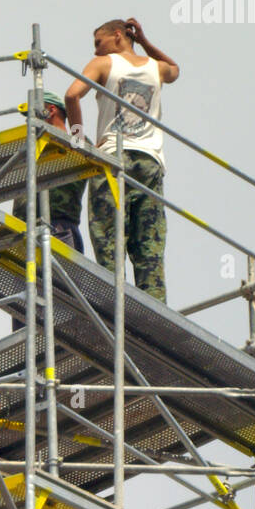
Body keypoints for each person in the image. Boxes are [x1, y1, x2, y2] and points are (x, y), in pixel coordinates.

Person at [64, 18, 180, 301]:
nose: (95, 51)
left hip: (113, 160)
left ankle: (113, 306)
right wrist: (144, 41)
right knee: (149, 246)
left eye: (98, 43)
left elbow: (71, 96)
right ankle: (155, 313)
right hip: (150, 162)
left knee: (108, 240)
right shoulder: (156, 68)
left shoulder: (105, 63)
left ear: (117, 35)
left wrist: (78, 140)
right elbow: (175, 70)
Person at [11, 91, 88, 252]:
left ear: (51, 110)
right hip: (23, 230)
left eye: (33, 114)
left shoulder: (74, 143)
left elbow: (78, 138)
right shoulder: (31, 149)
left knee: (57, 276)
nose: (29, 121)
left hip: (58, 227)